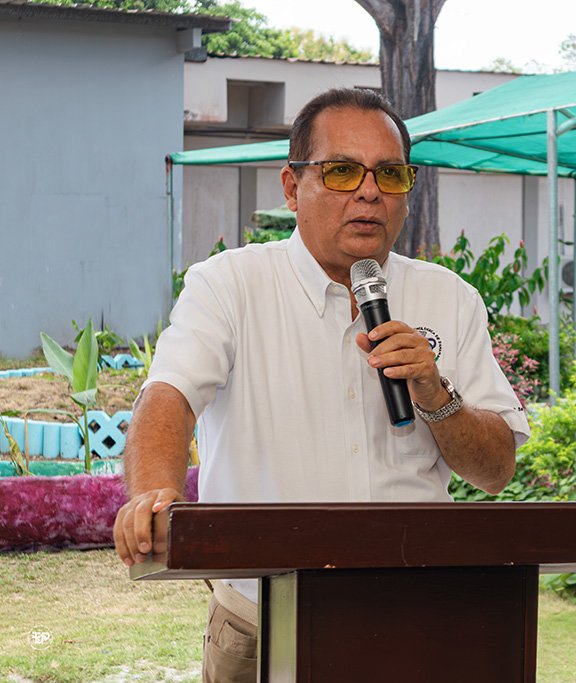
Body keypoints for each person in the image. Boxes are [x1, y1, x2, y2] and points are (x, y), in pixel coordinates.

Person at [112, 88, 530, 682]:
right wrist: (154, 492)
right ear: (291, 187)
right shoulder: (229, 285)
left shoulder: (450, 299)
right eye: (341, 171)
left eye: (390, 174)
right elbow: (169, 396)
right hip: (264, 621)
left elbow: (496, 471)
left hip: (417, 619)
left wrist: (437, 395)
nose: (368, 192)